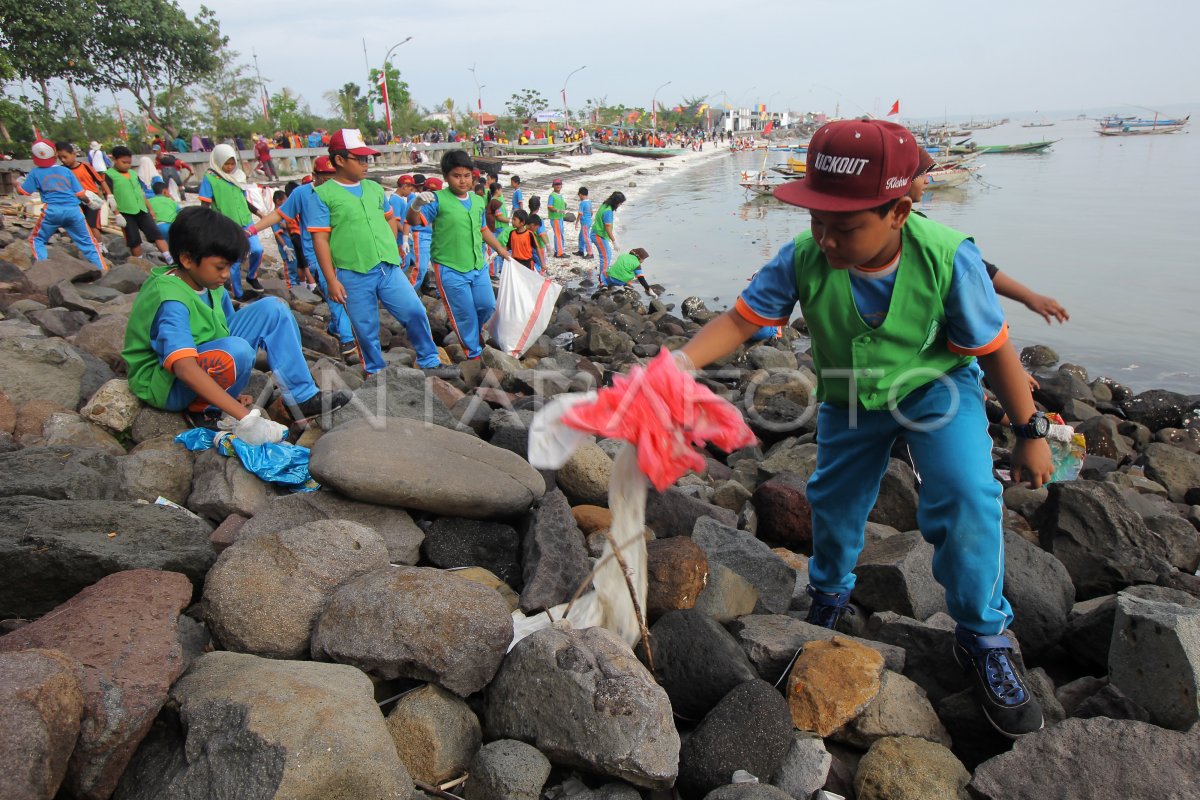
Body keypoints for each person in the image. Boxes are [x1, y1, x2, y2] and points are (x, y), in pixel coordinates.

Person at [679, 119, 1049, 738]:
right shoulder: (803, 256)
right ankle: (829, 594)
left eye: (845, 227)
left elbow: (995, 351)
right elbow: (742, 321)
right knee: (835, 498)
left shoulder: (949, 257)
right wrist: (677, 364)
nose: (826, 239)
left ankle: (984, 637)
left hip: (937, 387)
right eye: (816, 221)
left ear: (899, 211)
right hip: (852, 393)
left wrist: (1030, 432)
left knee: (965, 494)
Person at [121, 205, 349, 437]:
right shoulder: (172, 301)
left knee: (274, 308)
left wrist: (228, 385)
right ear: (187, 259)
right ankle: (203, 410)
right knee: (237, 351)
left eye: (230, 266)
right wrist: (245, 416)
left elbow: (226, 331)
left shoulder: (207, 283)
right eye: (220, 267)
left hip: (205, 354)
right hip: (165, 384)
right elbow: (184, 367)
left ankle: (301, 397)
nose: (226, 274)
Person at [308, 129, 442, 373]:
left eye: (367, 158)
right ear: (339, 160)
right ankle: (375, 370)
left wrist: (392, 246)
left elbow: (390, 218)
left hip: (387, 267)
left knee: (414, 310)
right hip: (352, 272)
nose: (365, 164)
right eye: (359, 159)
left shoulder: (374, 188)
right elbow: (320, 240)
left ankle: (430, 360)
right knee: (365, 327)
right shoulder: (322, 195)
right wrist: (331, 280)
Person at [908, 152, 1068, 326]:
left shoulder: (916, 225)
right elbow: (967, 265)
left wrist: (1029, 297)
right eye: (922, 174)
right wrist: (1028, 298)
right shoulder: (916, 229)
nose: (927, 180)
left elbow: (971, 265)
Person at [247, 156, 357, 365]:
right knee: (333, 290)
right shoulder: (302, 194)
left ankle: (334, 327)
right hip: (316, 253)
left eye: (333, 176)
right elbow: (278, 215)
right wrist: (252, 230)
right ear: (314, 176)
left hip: (342, 252)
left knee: (346, 293)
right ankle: (347, 339)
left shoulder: (342, 189)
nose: (329, 181)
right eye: (325, 178)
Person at [408, 149, 514, 360]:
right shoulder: (437, 200)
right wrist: (416, 205)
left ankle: (475, 335)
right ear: (446, 177)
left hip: (477, 264)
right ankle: (473, 353)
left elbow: (483, 229)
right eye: (456, 176)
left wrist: (501, 250)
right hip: (449, 267)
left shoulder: (477, 200)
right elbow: (414, 221)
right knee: (463, 314)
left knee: (487, 305)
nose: (463, 181)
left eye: (467, 175)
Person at [19, 139, 107, 271]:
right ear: (55, 155)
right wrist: (90, 203)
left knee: (36, 239)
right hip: (74, 211)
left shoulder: (35, 173)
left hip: (52, 211)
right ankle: (102, 270)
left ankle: (44, 268)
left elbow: (24, 191)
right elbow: (80, 194)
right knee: (89, 244)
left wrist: (16, 184)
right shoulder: (66, 171)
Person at [198, 143, 264, 297]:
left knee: (257, 250)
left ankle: (252, 276)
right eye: (226, 164)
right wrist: (205, 225)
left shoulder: (238, 176)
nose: (229, 167)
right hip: (227, 225)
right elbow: (205, 204)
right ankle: (238, 293)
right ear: (218, 161)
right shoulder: (210, 178)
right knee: (235, 259)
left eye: (232, 163)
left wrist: (259, 213)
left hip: (246, 220)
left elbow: (243, 200)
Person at [106, 145, 172, 261]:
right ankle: (140, 261)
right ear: (114, 159)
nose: (127, 165)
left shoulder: (133, 174)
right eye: (124, 162)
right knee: (134, 240)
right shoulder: (109, 175)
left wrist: (150, 209)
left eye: (129, 163)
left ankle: (169, 257)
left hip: (141, 209)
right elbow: (109, 197)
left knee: (156, 234)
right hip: (125, 212)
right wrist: (117, 214)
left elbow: (141, 193)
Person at [55, 141, 111, 248]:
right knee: (80, 225)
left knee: (92, 225)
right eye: (60, 158)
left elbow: (101, 181)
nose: (63, 160)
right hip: (75, 201)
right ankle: (86, 246)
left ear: (73, 154)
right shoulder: (62, 170)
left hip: (92, 201)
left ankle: (100, 247)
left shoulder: (85, 166)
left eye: (65, 157)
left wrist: (109, 195)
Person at [591, 191, 626, 279]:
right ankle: (603, 279)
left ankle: (603, 275)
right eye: (620, 203)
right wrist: (614, 241)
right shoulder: (608, 211)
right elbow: (608, 228)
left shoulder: (605, 205)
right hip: (598, 235)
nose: (620, 205)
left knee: (607, 255)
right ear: (616, 202)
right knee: (605, 257)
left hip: (597, 233)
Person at [547, 178, 567, 258]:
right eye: (556, 185)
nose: (558, 186)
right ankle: (559, 253)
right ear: (553, 186)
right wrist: (557, 210)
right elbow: (549, 206)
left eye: (559, 184)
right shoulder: (552, 195)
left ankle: (558, 251)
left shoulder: (560, 195)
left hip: (560, 217)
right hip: (555, 218)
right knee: (558, 235)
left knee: (560, 234)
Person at [574, 186, 594, 258]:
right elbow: (592, 212)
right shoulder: (589, 202)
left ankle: (590, 253)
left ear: (580, 194)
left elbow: (580, 213)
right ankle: (581, 250)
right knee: (581, 236)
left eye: (579, 195)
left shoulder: (582, 203)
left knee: (586, 237)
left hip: (585, 222)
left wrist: (576, 223)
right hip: (588, 221)